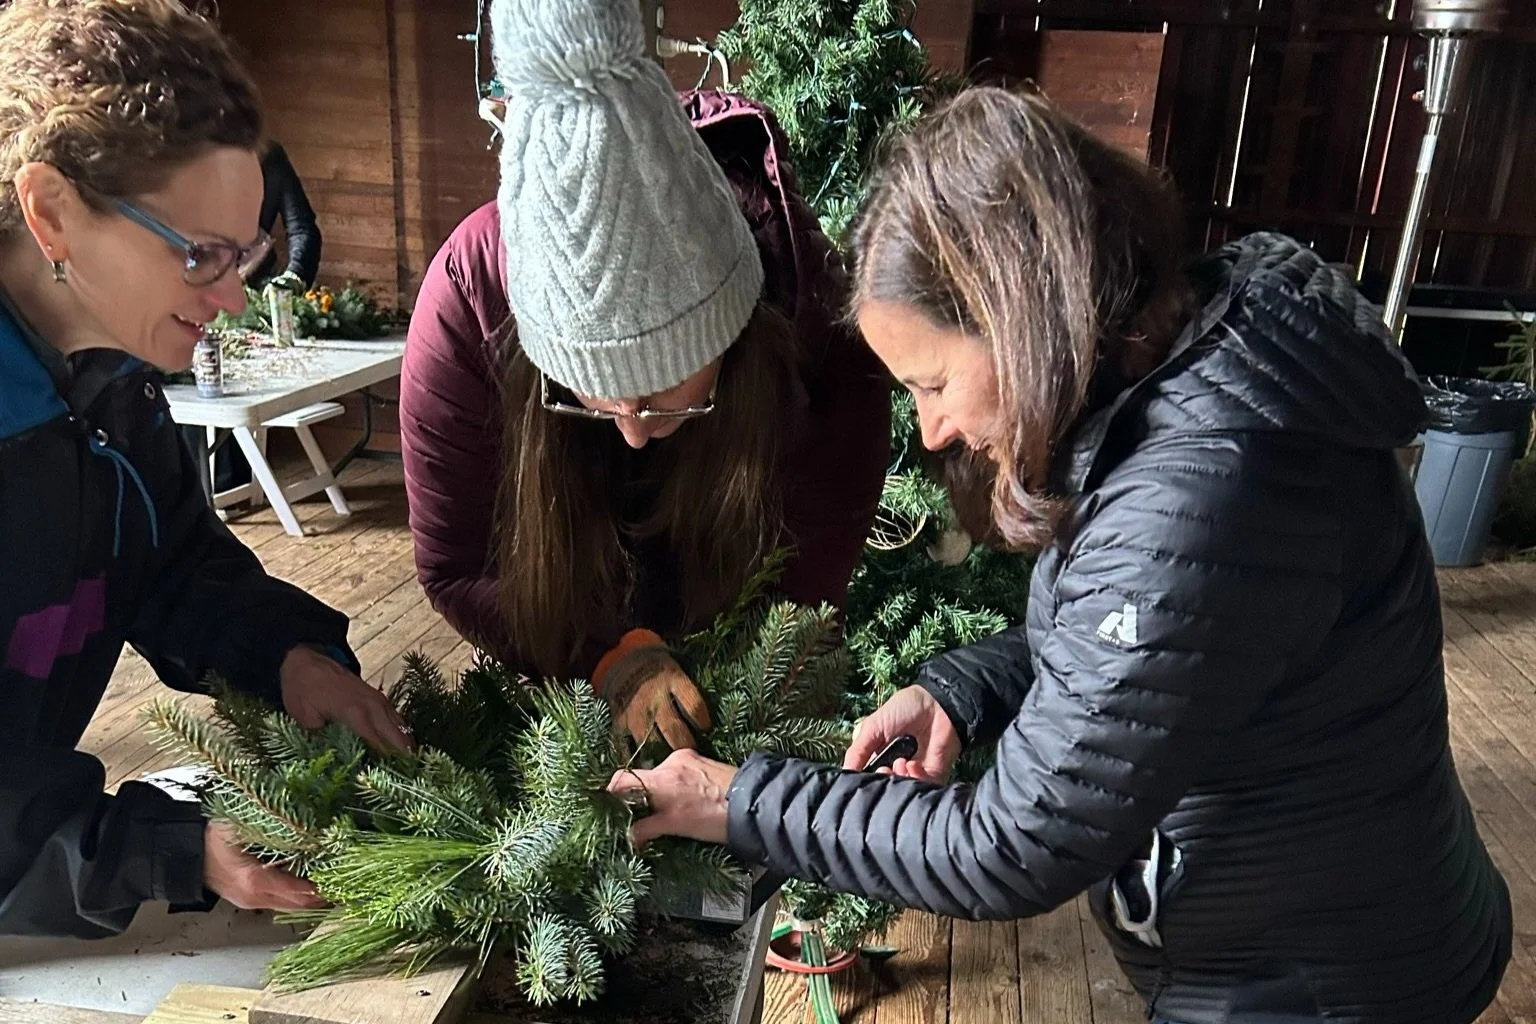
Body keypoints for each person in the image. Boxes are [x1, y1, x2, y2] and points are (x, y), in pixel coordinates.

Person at [612, 87, 1513, 1024]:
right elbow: (1154, 639)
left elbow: (1013, 843)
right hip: (1318, 933)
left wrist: (736, 800)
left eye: (934, 381)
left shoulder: (1208, 483)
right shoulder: (1180, 377)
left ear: (1020, 312)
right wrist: (965, 688)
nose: (932, 430)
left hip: (1320, 986)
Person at [0, 0, 410, 938]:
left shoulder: (119, 385)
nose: (231, 298)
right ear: (53, 211)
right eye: (199, 255)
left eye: (248, 252)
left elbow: (169, 564)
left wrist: (287, 656)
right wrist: (159, 848)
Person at [398, 0, 890, 746]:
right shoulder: (468, 298)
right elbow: (457, 560)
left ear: (737, 338)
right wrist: (601, 655)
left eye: (669, 391)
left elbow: (806, 577)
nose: (632, 432)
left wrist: (744, 705)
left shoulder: (824, 329)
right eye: (588, 398)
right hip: (561, 648)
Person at [247, 139, 322, 290]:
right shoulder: (194, 158)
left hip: (259, 282)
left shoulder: (269, 157)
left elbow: (301, 228)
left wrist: (294, 274)